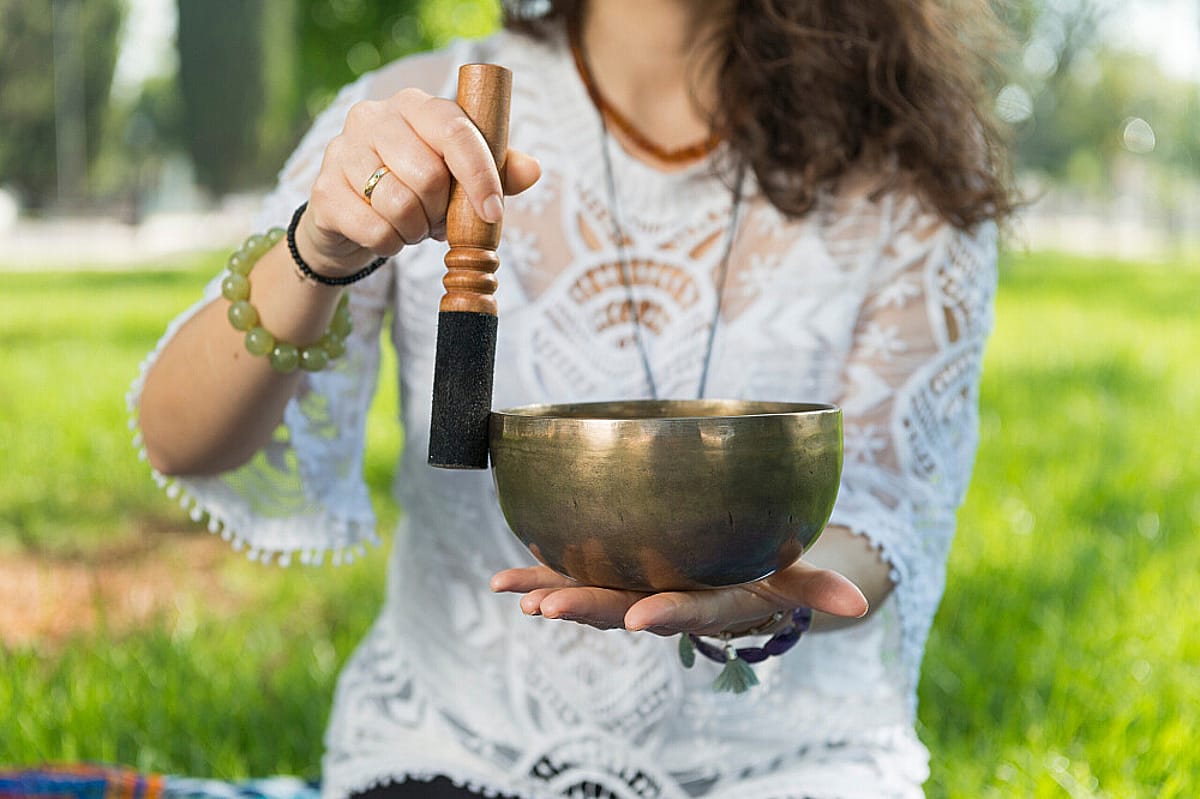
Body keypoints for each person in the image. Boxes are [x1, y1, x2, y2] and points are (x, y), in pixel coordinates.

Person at [134, 1, 1013, 796]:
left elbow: (890, 510)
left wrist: (771, 595)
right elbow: (181, 439)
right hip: (455, 747)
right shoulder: (417, 116)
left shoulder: (907, 159)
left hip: (786, 764)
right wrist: (320, 246)